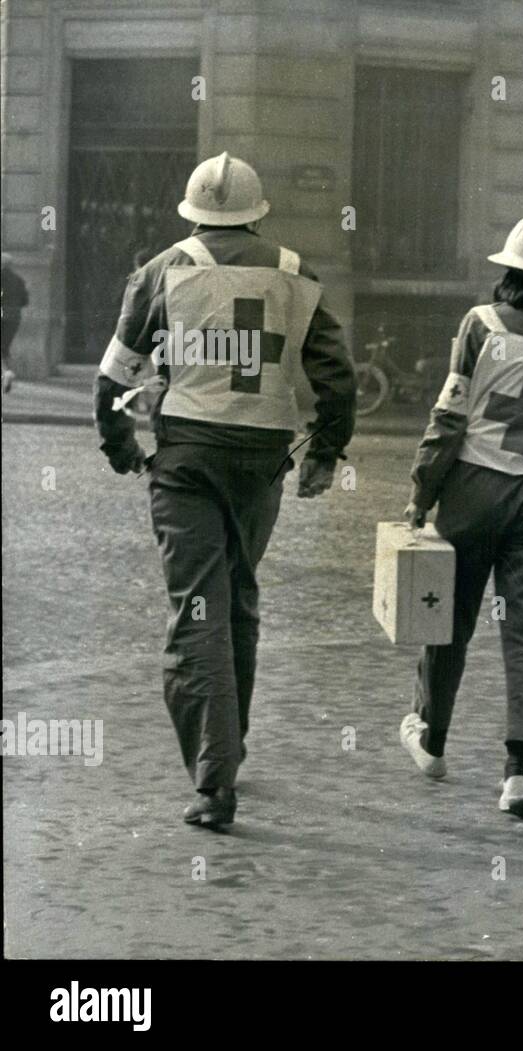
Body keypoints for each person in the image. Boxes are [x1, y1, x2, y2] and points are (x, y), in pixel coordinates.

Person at [93, 152, 357, 829]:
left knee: (197, 608)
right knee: (237, 593)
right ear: (257, 211)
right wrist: (324, 454)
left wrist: (123, 446)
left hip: (187, 459)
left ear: (192, 212)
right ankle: (230, 746)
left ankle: (214, 779)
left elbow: (114, 380)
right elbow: (338, 380)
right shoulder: (296, 273)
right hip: (261, 460)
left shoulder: (162, 270)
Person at [400, 214, 523, 820]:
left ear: (512, 271)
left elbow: (448, 417)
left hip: (474, 489)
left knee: (448, 620)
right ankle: (517, 772)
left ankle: (432, 741)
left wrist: (421, 491)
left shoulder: (481, 324)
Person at [1, 251, 28, 392]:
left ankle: (6, 373)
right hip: (14, 318)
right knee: (4, 347)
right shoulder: (19, 280)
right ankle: (8, 372)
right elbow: (25, 301)